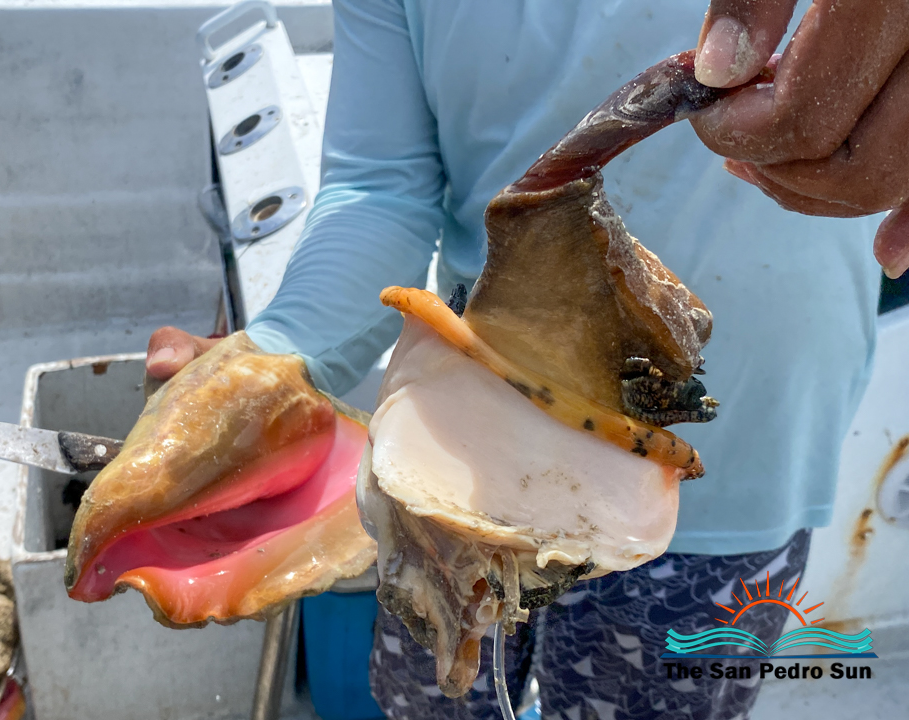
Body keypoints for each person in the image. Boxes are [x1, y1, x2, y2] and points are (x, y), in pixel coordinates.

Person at [146, 2, 909, 718]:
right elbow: (382, 185)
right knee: (435, 691)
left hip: (744, 456)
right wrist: (277, 357)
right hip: (452, 473)